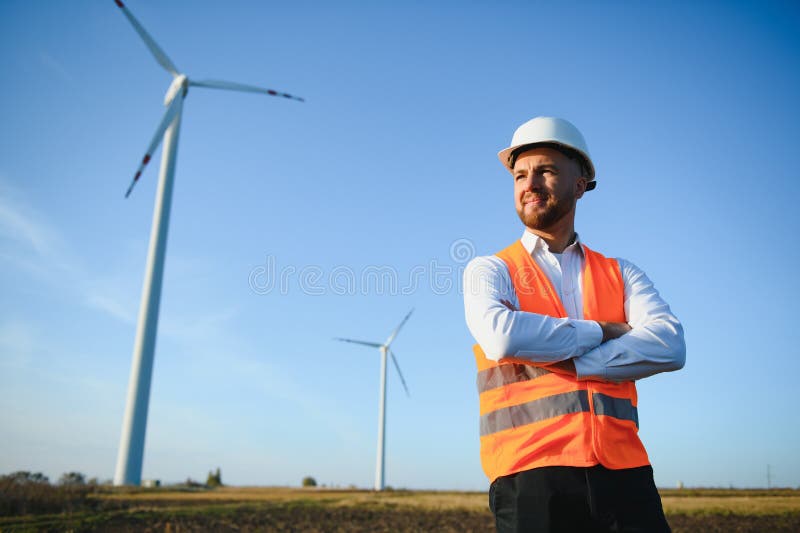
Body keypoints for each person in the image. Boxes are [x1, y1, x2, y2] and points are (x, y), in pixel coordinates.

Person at [463, 116, 686, 532]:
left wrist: (577, 363)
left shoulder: (622, 272)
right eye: (520, 174)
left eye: (546, 171)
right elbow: (502, 335)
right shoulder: (490, 270)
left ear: (580, 184)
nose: (530, 183)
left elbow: (670, 345)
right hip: (530, 475)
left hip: (626, 472)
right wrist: (603, 330)